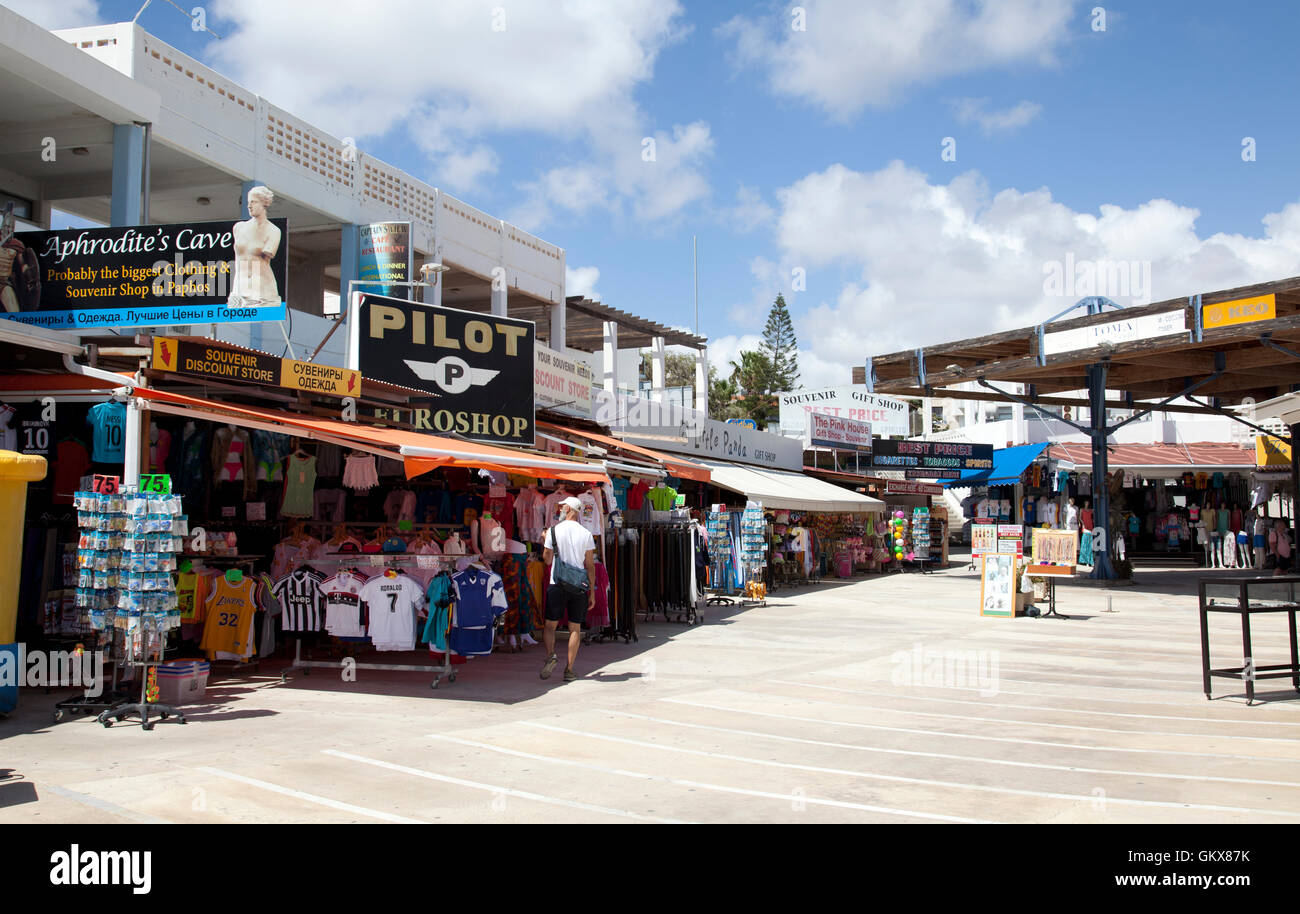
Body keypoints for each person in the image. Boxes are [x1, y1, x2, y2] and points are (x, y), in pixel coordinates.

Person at [540, 496, 596, 682]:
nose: (561, 508)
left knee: (550, 625)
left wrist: (544, 540)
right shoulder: (586, 534)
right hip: (578, 585)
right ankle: (569, 669)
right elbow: (590, 565)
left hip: (557, 583)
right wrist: (593, 592)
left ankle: (551, 655)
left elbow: (547, 560)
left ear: (570, 509)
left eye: (563, 506)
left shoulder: (553, 531)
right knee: (575, 629)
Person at [230, 185, 282, 305]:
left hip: (263, 292)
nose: (249, 206)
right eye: (248, 202)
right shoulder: (238, 228)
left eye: (253, 202)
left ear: (264, 203)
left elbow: (269, 253)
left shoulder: (273, 231)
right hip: (239, 290)